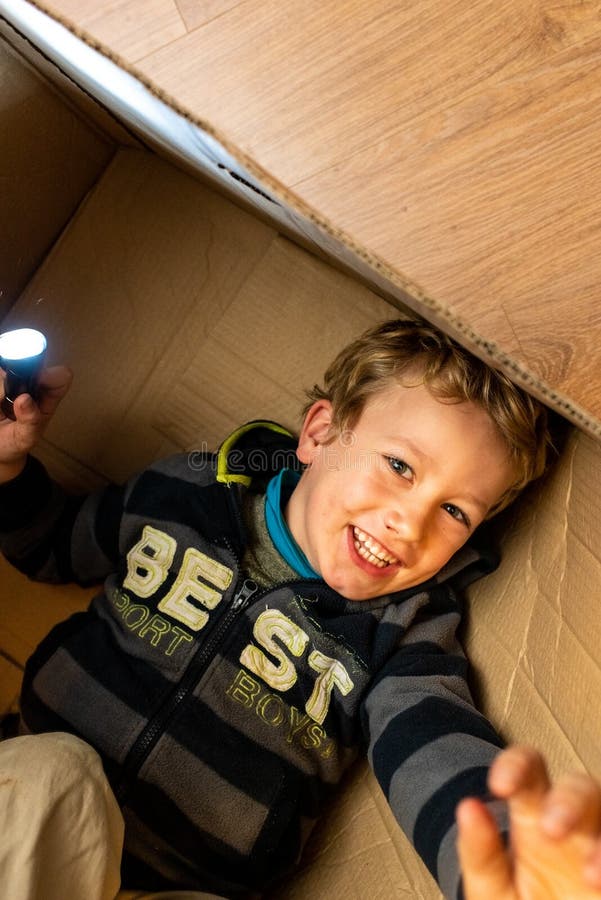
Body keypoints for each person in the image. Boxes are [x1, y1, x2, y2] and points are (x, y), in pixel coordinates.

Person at [1, 318, 601, 900]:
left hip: (187, 885)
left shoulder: (402, 630)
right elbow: (55, 542)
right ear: (320, 434)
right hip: (30, 813)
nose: (410, 523)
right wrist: (9, 471)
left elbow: (432, 746)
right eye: (399, 466)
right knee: (56, 772)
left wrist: (501, 856)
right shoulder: (182, 493)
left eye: (455, 512)